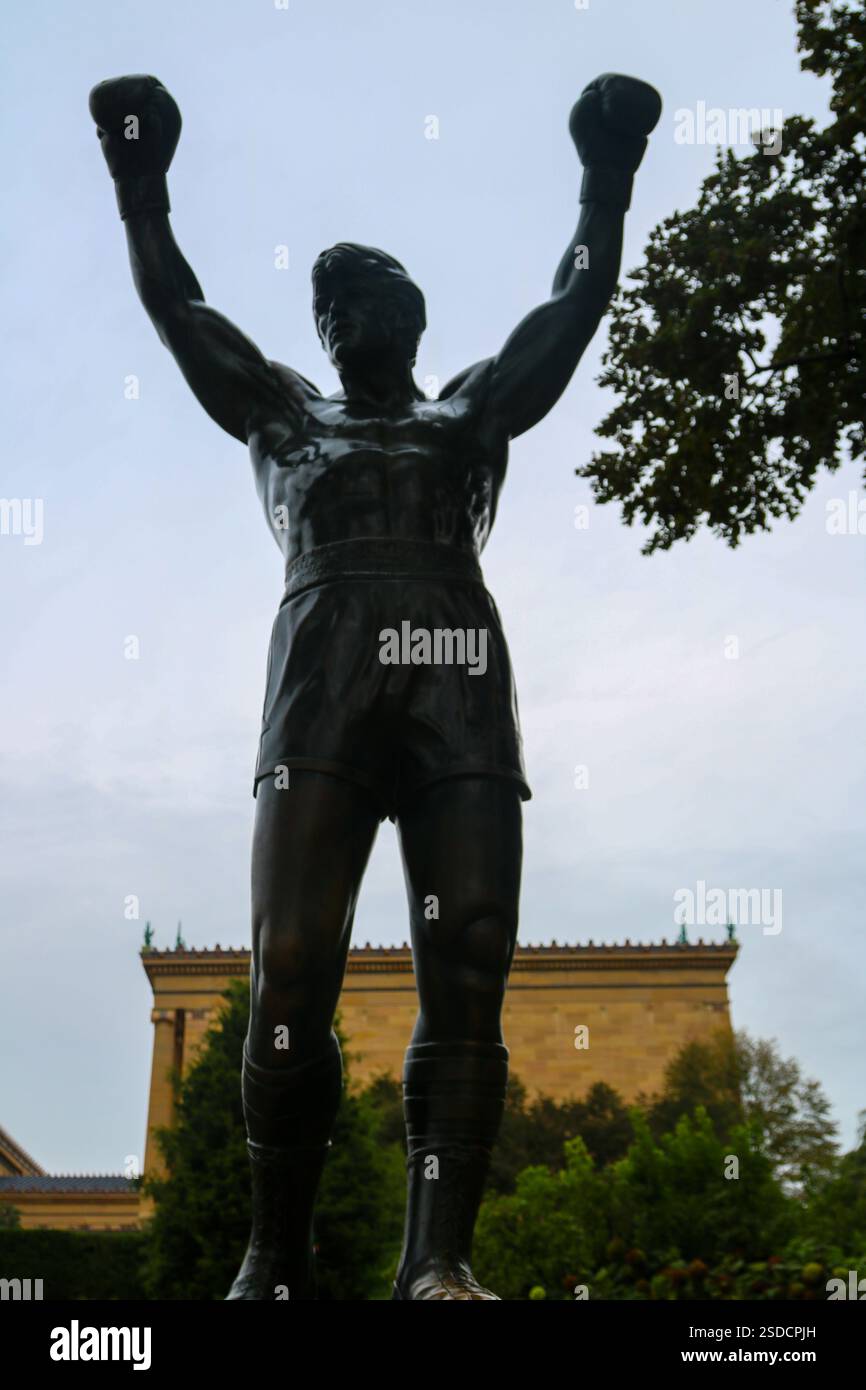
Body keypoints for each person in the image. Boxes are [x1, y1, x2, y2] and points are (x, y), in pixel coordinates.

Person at [89, 69, 661, 1300]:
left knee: (472, 961)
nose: (343, 315)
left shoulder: (470, 418)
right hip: (323, 679)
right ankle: (272, 1254)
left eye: (362, 296)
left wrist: (604, 173)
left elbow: (577, 297)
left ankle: (436, 1261)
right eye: (326, 306)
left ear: (410, 314)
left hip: (455, 672)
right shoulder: (284, 421)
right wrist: (141, 179)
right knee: (290, 956)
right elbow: (177, 305)